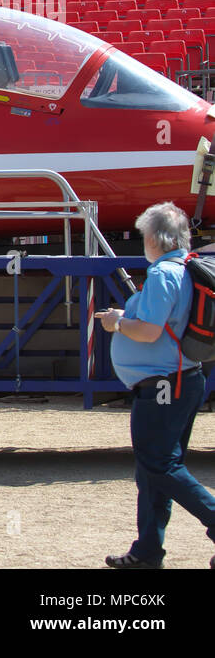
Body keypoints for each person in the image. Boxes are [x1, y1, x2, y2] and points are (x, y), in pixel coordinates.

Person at [95, 201, 215, 568]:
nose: (141, 240)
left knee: (159, 465)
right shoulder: (183, 267)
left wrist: (117, 321)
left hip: (164, 384)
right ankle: (147, 551)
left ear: (156, 238)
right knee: (153, 471)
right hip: (178, 380)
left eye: (144, 234)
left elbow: (147, 332)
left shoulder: (164, 273)